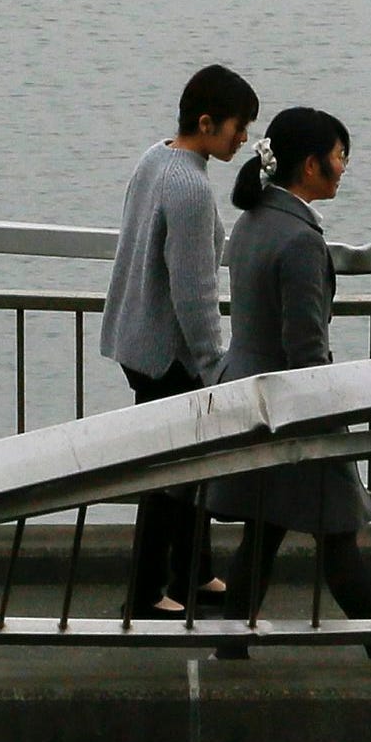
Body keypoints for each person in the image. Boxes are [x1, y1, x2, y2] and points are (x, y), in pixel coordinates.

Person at [205, 106, 371, 661]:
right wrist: (332, 414)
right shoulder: (302, 241)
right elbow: (306, 343)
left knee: (264, 531)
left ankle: (230, 645)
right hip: (296, 406)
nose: (343, 167)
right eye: (339, 156)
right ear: (311, 165)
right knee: (336, 530)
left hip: (249, 391)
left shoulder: (253, 221)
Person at [98, 63, 250, 619]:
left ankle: (195, 573)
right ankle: (145, 594)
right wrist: (214, 364)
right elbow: (194, 291)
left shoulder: (154, 157)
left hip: (134, 335)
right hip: (168, 351)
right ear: (207, 123)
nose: (243, 139)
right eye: (238, 128)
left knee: (189, 461)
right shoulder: (189, 187)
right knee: (171, 474)